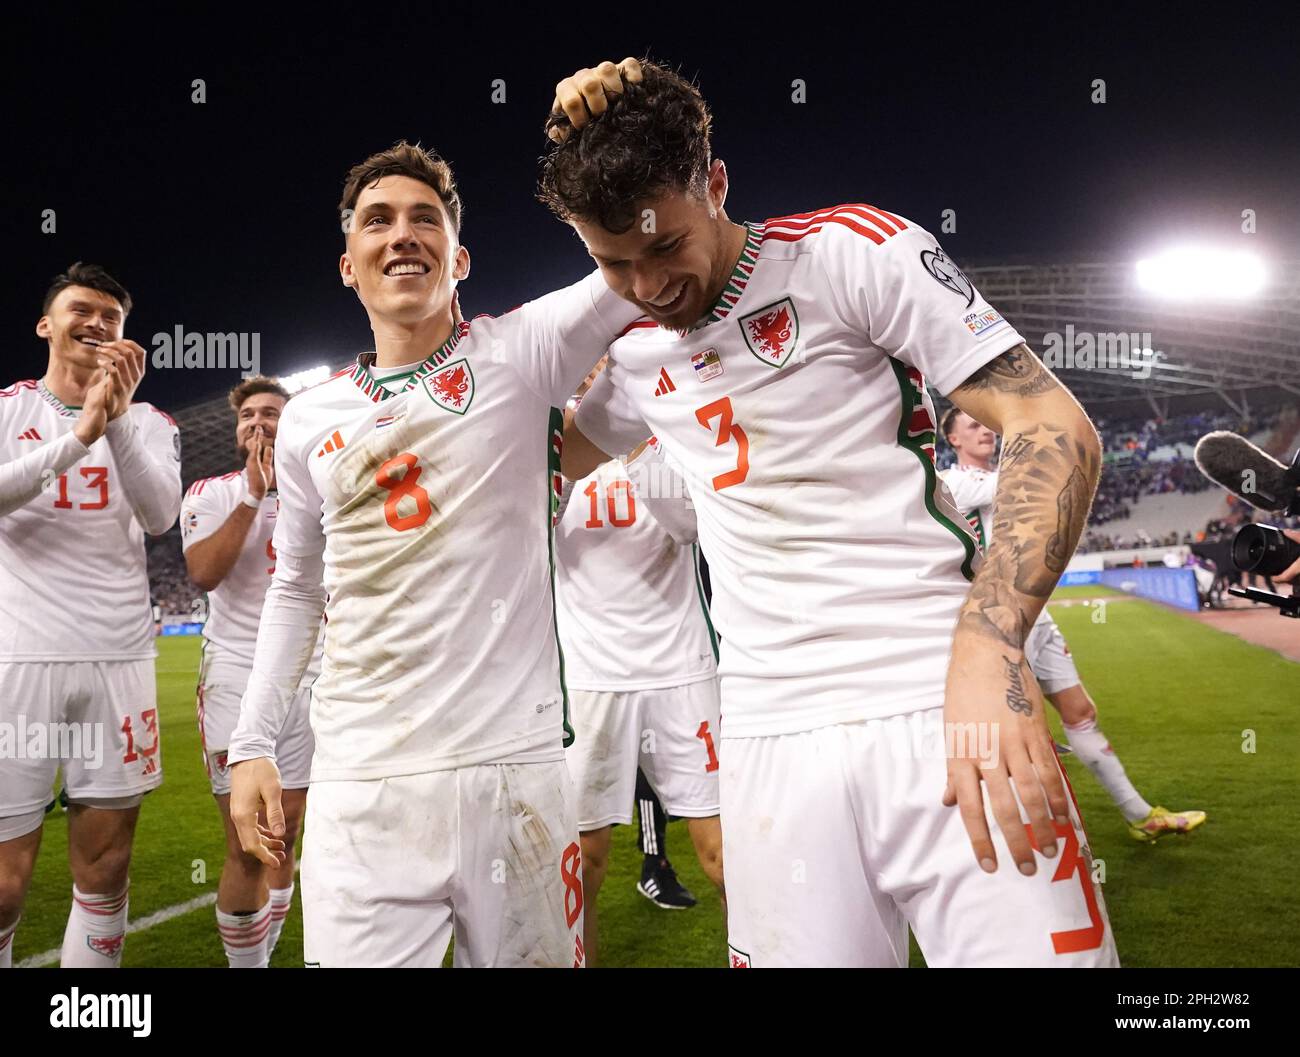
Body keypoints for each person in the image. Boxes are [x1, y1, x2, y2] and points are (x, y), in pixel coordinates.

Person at [543, 59, 1116, 967]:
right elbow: (532, 459)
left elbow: (1053, 424)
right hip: (767, 743)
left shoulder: (852, 252)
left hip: (937, 699)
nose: (648, 286)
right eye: (613, 263)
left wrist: (991, 643)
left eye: (666, 249)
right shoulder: (627, 349)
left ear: (717, 184)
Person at [227, 140, 640, 967]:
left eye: (427, 219)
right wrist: (251, 744)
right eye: (378, 221)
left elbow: (632, 255)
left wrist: (609, 127)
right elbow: (298, 586)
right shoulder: (310, 416)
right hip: (363, 783)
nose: (402, 235)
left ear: (461, 256)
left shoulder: (523, 351)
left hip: (515, 774)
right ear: (349, 265)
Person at [0, 263, 181, 967]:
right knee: (5, 886)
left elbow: (160, 511)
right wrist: (77, 436)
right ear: (47, 323)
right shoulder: (9, 408)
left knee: (104, 874)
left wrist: (116, 422)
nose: (98, 324)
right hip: (19, 662)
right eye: (83, 310)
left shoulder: (153, 422)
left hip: (119, 663)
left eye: (113, 317)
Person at [940, 407, 1207, 842]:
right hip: (999, 623)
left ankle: (1141, 816)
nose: (985, 431)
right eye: (972, 426)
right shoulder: (954, 483)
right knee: (1004, 735)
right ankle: (993, 840)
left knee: (1081, 714)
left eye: (988, 425)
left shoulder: (1000, 476)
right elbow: (1024, 485)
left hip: (1037, 617)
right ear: (953, 440)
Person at [554, 365, 723, 964]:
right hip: (591, 680)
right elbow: (527, 531)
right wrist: (573, 437)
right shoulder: (552, 447)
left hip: (683, 669)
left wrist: (637, 430)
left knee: (726, 857)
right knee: (581, 867)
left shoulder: (671, 433)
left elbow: (688, 524)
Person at [181, 376, 323, 966]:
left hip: (313, 676)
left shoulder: (318, 490)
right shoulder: (209, 493)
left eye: (271, 413)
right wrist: (252, 495)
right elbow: (204, 574)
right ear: (237, 432)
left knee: (287, 830)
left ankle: (263, 950)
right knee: (247, 843)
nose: (258, 423)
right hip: (235, 680)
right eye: (248, 417)